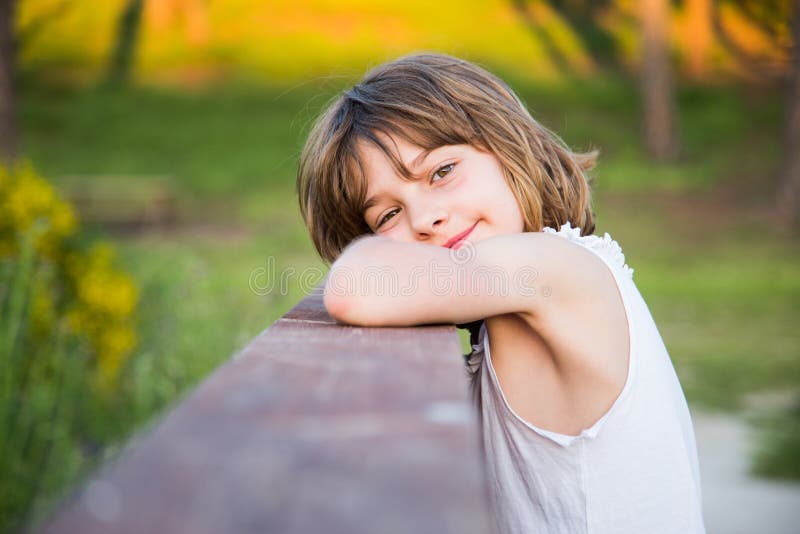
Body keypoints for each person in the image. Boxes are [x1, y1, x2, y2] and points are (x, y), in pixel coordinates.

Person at [296, 52, 705, 534]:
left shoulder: (557, 270)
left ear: (507, 147)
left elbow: (353, 286)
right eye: (386, 216)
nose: (424, 217)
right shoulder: (507, 309)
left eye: (441, 171)